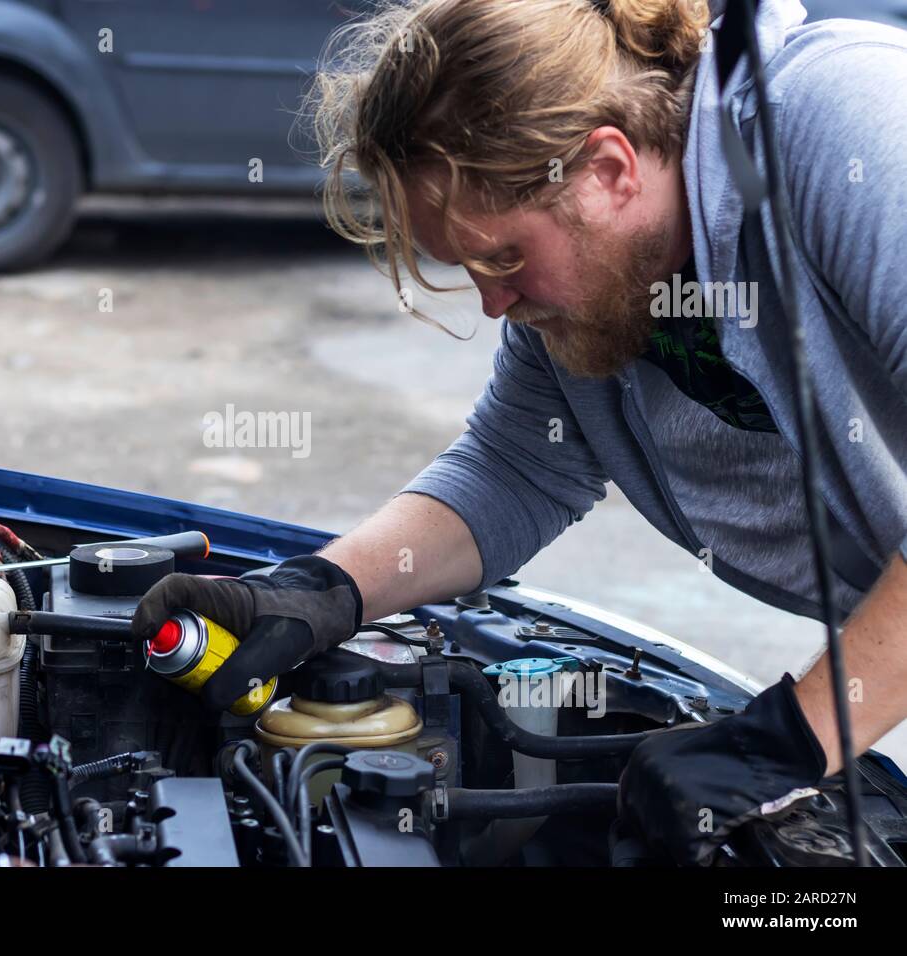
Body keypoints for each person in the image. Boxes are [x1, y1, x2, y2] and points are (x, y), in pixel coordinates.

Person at [132, 0, 907, 864]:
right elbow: (516, 470)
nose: (494, 300)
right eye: (466, 267)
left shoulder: (851, 125)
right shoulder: (596, 285)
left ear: (608, 169)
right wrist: (318, 591)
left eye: (502, 257)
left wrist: (790, 738)